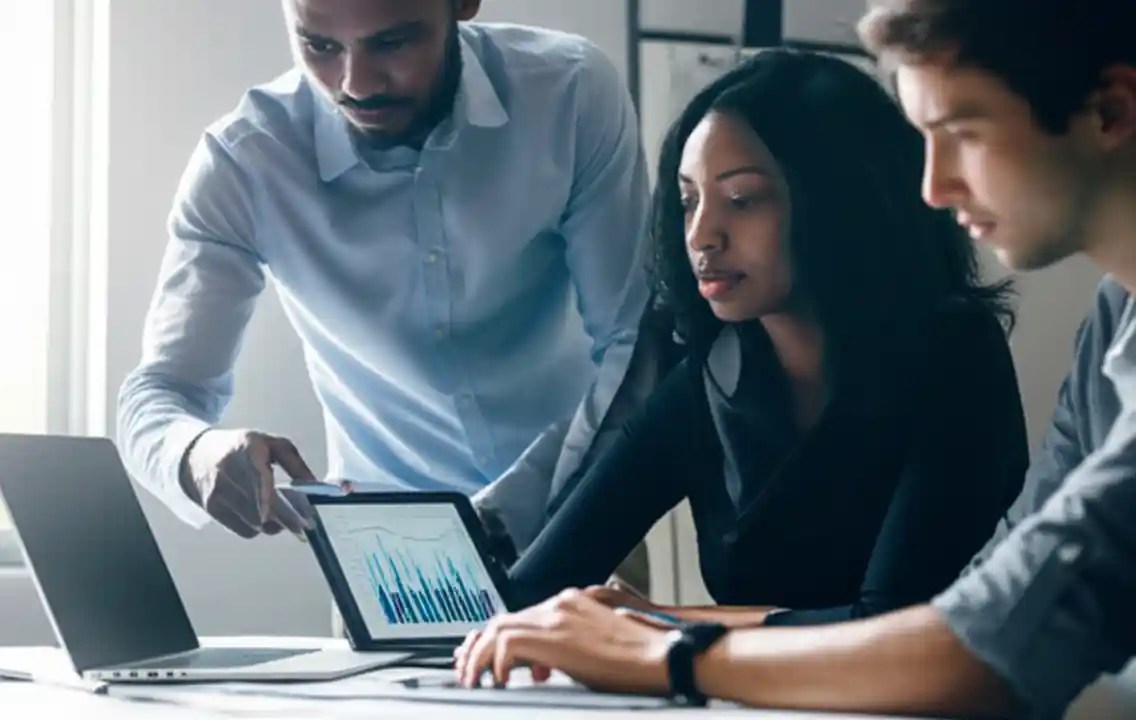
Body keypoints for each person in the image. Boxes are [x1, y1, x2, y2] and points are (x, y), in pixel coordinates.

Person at [454, 1, 1136, 716]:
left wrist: (665, 643)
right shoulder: (1111, 320)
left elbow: (977, 642)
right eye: (687, 202)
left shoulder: (952, 351)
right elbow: (993, 600)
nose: (934, 188)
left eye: (963, 133)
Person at [507, 49, 1028, 629]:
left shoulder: (955, 354)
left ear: (839, 202)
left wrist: (662, 622)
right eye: (688, 201)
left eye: (742, 200)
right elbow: (540, 582)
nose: (701, 235)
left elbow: (894, 622)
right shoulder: (713, 374)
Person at [116, 0, 648, 541]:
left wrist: (501, 514)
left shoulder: (569, 92)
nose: (357, 84)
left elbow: (636, 344)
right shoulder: (245, 161)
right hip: (384, 549)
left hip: (579, 516)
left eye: (392, 42)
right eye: (320, 46)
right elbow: (156, 396)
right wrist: (196, 452)